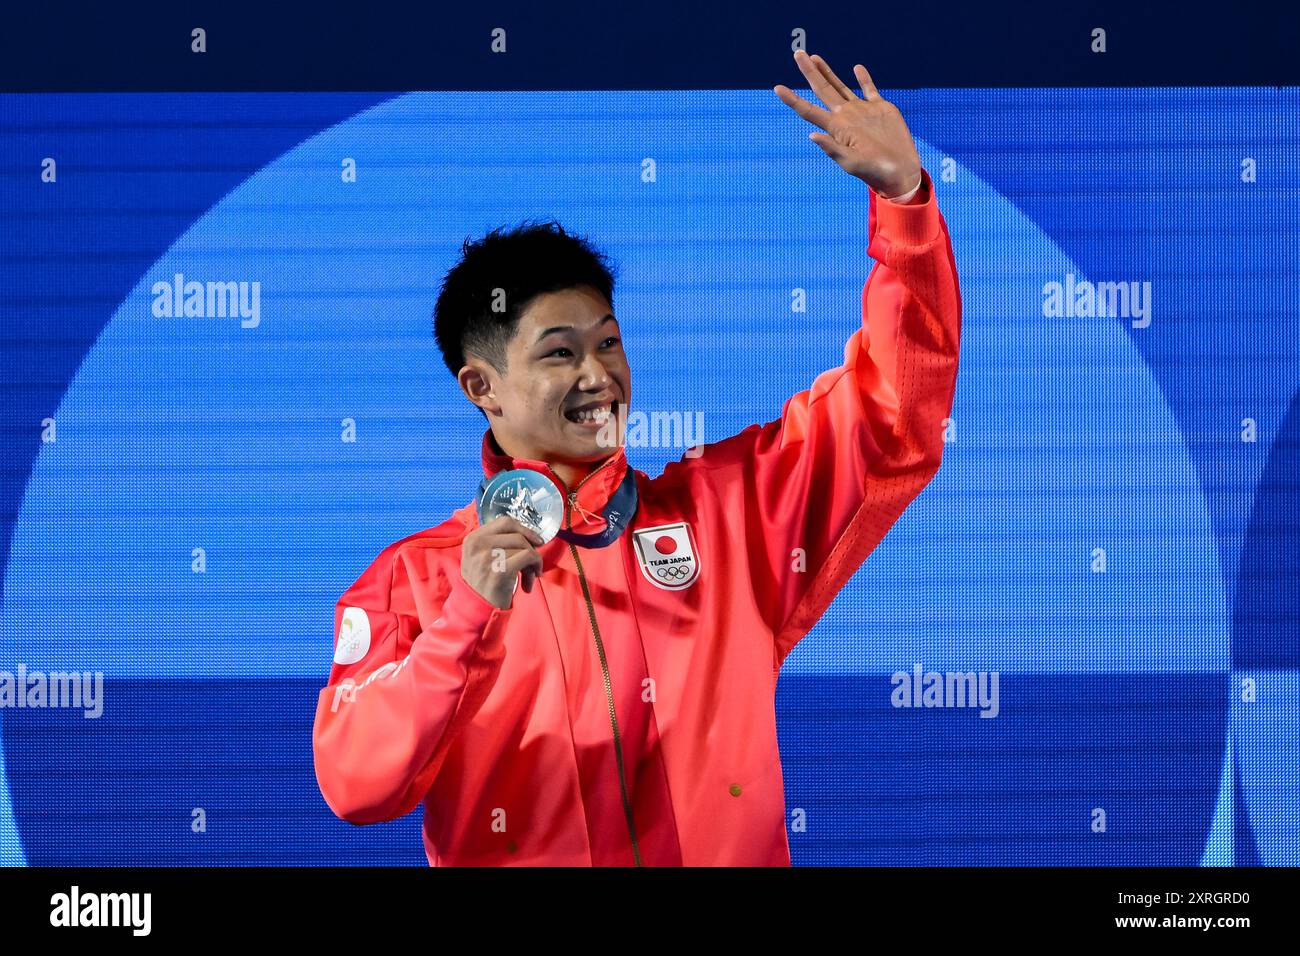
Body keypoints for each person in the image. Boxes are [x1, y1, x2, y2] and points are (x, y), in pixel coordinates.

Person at [312, 50, 962, 865]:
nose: (598, 376)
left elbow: (893, 412)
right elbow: (357, 785)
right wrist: (466, 621)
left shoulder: (730, 517)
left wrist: (904, 203)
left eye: (609, 344)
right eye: (559, 354)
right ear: (483, 386)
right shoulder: (417, 580)